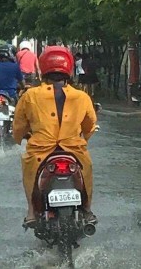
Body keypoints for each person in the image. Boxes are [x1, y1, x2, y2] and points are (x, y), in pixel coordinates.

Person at [12, 45, 98, 227]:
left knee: (29, 172)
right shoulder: (81, 96)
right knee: (86, 170)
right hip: (74, 149)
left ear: (43, 68)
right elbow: (90, 125)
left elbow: (18, 126)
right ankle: (87, 210)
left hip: (40, 150)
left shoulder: (30, 95)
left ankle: (31, 212)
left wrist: (19, 137)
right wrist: (82, 140)